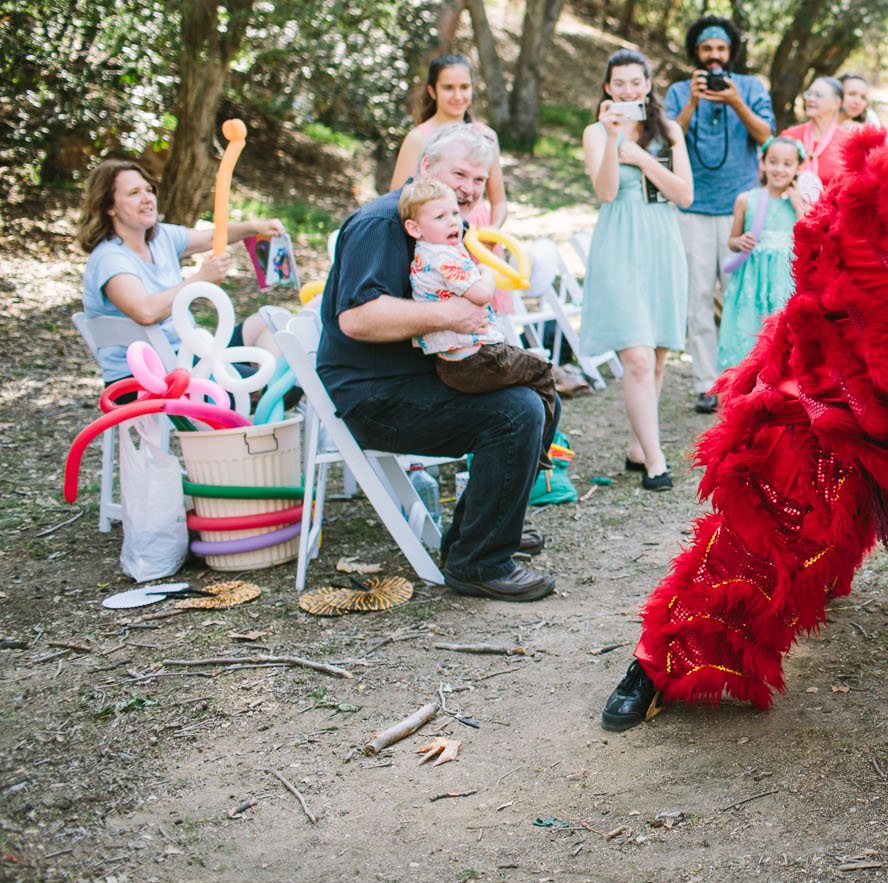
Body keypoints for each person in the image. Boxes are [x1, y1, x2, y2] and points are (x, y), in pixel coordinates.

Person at [318, 123, 553, 601]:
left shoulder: (442, 225)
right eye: (460, 174)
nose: (469, 189)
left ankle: (487, 529)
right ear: (426, 167)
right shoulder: (382, 223)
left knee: (534, 391)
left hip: (422, 374)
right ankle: (478, 562)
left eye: (479, 181)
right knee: (517, 412)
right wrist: (449, 313)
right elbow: (357, 320)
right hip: (374, 394)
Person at [583, 50, 693, 490]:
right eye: (619, 83)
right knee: (638, 358)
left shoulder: (667, 130)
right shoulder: (595, 132)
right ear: (608, 88)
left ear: (648, 84)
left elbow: (684, 194)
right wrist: (613, 142)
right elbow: (606, 192)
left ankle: (636, 445)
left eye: (636, 82)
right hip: (619, 241)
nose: (628, 90)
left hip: (662, 241)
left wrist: (644, 158)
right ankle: (655, 460)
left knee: (659, 355)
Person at [79, 159, 286, 382]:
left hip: (187, 355)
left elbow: (211, 237)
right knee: (275, 388)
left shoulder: (160, 237)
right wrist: (201, 279)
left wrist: (255, 227)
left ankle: (266, 395)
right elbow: (145, 312)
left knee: (267, 321)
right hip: (146, 378)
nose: (147, 198)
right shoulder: (109, 258)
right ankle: (263, 395)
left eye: (149, 190)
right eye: (134, 193)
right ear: (109, 206)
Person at [399, 177, 558, 460]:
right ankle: (536, 453)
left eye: (455, 214)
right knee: (543, 372)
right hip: (479, 361)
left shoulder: (423, 254)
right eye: (440, 216)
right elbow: (482, 293)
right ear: (414, 228)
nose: (452, 222)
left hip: (451, 363)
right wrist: (486, 269)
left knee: (524, 378)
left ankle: (528, 449)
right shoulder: (444, 257)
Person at [664, 17, 774, 414]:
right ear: (696, 52)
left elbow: (767, 136)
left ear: (731, 54)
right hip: (691, 208)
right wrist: (693, 102)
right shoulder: (679, 92)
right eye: (707, 49)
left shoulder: (750, 89)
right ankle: (706, 383)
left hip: (739, 209)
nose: (714, 57)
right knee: (697, 301)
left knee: (740, 298)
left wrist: (735, 102)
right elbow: (665, 138)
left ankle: (742, 378)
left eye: (721, 49)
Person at [717, 137, 810, 370]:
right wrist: (740, 241)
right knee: (746, 333)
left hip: (784, 282)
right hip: (752, 282)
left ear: (798, 168)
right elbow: (731, 241)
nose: (779, 169)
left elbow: (807, 239)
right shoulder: (747, 200)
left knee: (782, 337)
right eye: (773, 162)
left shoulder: (801, 204)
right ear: (763, 163)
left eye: (787, 164)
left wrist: (799, 205)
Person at [390, 55, 507, 229]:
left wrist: (493, 231)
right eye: (448, 88)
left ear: (472, 89)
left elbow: (499, 202)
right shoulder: (418, 138)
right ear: (432, 91)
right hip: (435, 235)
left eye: (464, 87)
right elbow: (397, 200)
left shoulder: (487, 137)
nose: (458, 96)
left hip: (478, 235)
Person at [780, 76, 859, 194]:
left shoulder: (847, 142)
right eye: (809, 94)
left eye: (818, 95)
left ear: (836, 103)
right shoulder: (789, 137)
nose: (811, 99)